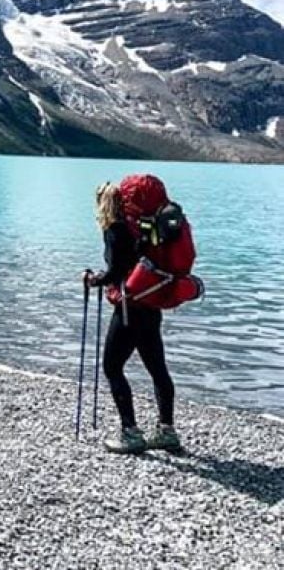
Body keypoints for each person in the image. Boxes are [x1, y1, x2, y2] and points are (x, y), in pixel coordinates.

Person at [85, 181, 182, 455]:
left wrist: (94, 280)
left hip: (129, 309)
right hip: (151, 304)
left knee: (112, 366)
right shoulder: (142, 227)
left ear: (103, 204)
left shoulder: (115, 229)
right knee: (157, 368)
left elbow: (116, 272)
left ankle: (131, 432)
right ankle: (167, 431)